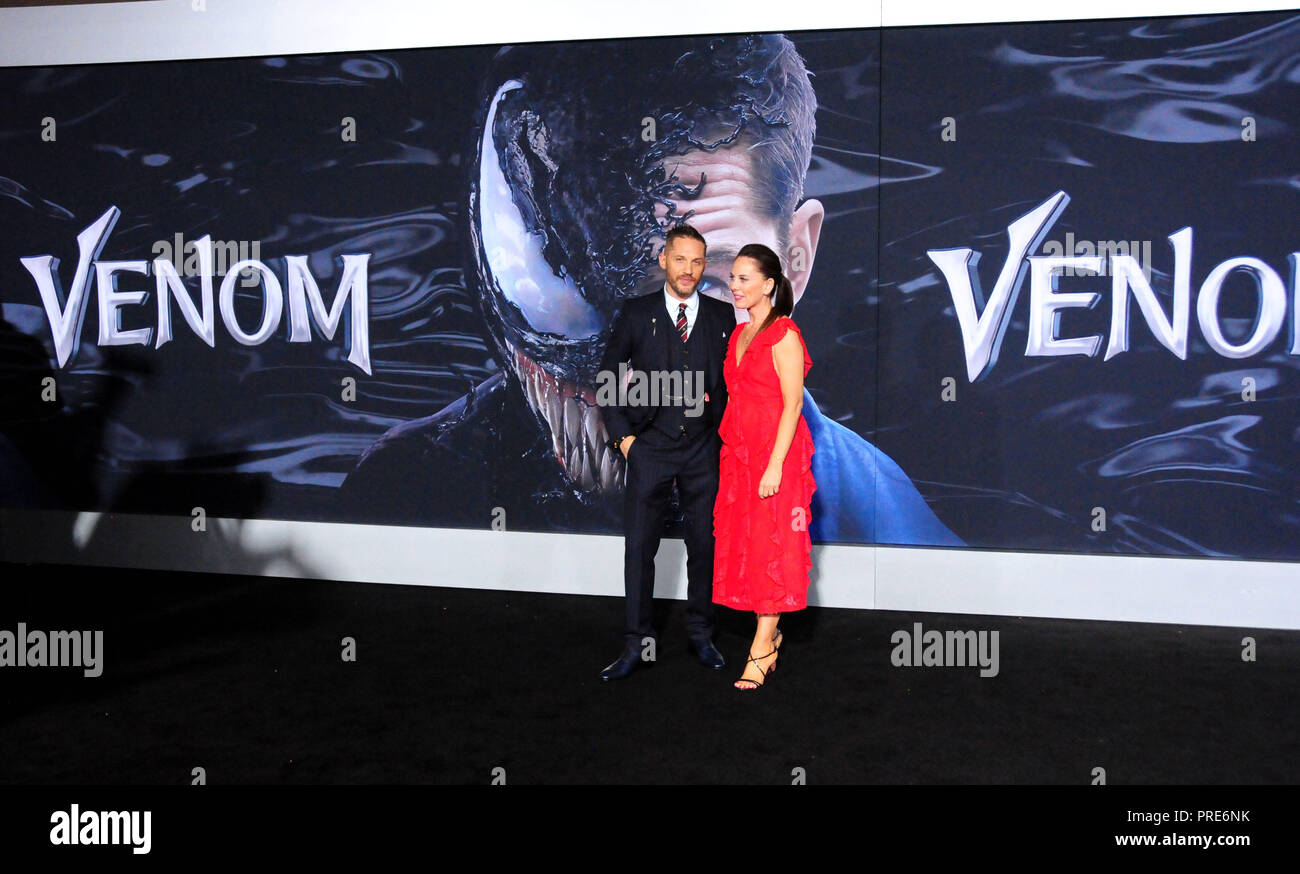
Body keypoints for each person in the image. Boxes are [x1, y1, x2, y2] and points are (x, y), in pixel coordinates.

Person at [595, 224, 736, 680]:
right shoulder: (636, 314)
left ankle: (701, 634)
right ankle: (636, 644)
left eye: (697, 261)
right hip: (649, 447)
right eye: (681, 260)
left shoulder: (721, 316)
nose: (689, 271)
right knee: (639, 547)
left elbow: (730, 387)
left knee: (704, 545)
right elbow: (609, 379)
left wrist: (724, 442)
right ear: (663, 260)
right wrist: (626, 442)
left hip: (702, 450)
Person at [713, 244, 816, 690]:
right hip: (740, 456)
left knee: (773, 548)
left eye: (744, 279)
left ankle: (762, 647)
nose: (734, 286)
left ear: (769, 284)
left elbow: (793, 405)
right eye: (733, 278)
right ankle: (767, 640)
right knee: (750, 546)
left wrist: (774, 466)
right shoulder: (739, 336)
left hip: (777, 459)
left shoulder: (785, 334)